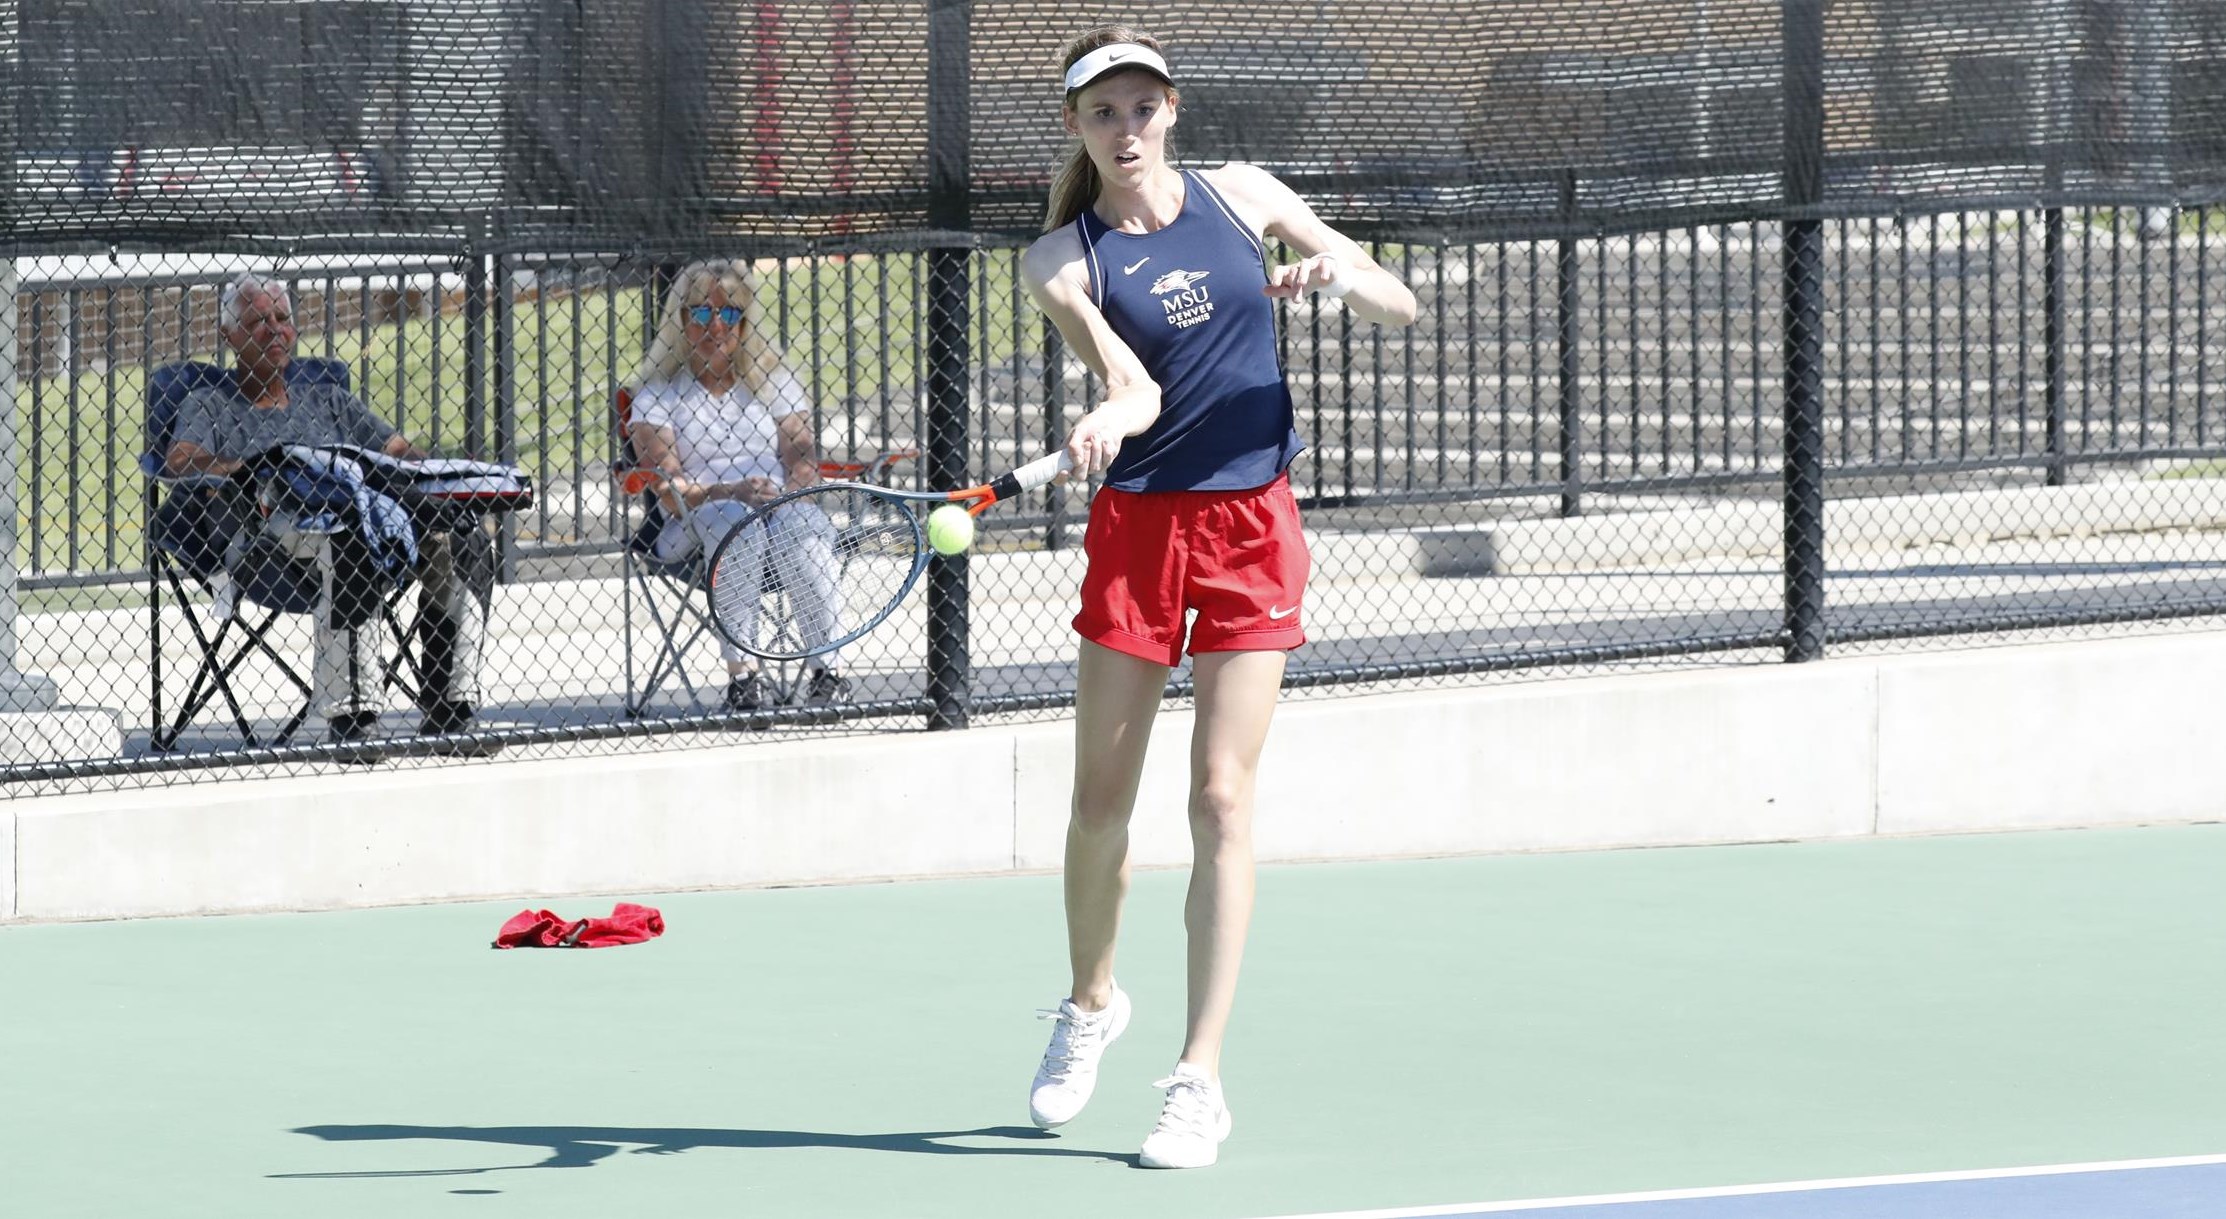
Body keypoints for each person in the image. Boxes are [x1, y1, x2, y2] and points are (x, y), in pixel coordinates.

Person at [1018, 27, 1417, 1169]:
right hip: (1141, 532)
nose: (1126, 127)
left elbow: (1401, 303)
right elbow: (1133, 380)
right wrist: (1112, 409)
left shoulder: (1244, 197)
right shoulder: (1061, 258)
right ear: (1078, 130)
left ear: (1172, 110)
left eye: (1142, 106)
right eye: (1104, 112)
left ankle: (1198, 1077)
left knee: (1222, 800)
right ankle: (1092, 1000)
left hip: (1252, 521)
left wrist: (1338, 271)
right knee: (1101, 808)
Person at [164, 272, 498, 757]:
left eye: (282, 319)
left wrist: (431, 474)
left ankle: (452, 706)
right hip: (267, 542)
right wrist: (247, 468)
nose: (274, 330)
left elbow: (399, 449)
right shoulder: (211, 404)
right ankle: (354, 717)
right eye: (258, 321)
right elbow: (178, 462)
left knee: (462, 536)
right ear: (229, 336)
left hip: (363, 521)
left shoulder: (329, 399)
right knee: (350, 536)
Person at [625, 259, 850, 711]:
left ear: (745, 322)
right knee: (735, 521)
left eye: (729, 314)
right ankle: (744, 676)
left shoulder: (774, 383)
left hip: (776, 510)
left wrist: (784, 497)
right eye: (702, 313)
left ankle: (828, 672)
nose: (716, 326)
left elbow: (801, 459)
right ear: (681, 319)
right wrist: (731, 492)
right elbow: (669, 489)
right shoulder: (657, 394)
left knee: (804, 521)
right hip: (692, 522)